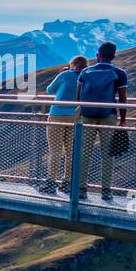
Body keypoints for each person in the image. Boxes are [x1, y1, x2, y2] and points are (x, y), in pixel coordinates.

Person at [74, 41, 129, 201]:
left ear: (98, 55)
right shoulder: (119, 73)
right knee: (107, 154)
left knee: (84, 153)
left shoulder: (85, 72)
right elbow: (122, 98)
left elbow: (78, 97)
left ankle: (81, 189)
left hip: (87, 115)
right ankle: (106, 190)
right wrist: (123, 120)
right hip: (108, 116)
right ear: (113, 56)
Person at [38, 56, 88, 194]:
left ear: (73, 64)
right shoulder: (87, 75)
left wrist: (63, 73)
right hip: (76, 116)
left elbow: (49, 89)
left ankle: (51, 182)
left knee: (55, 150)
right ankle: (68, 182)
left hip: (57, 114)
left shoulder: (65, 75)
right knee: (71, 151)